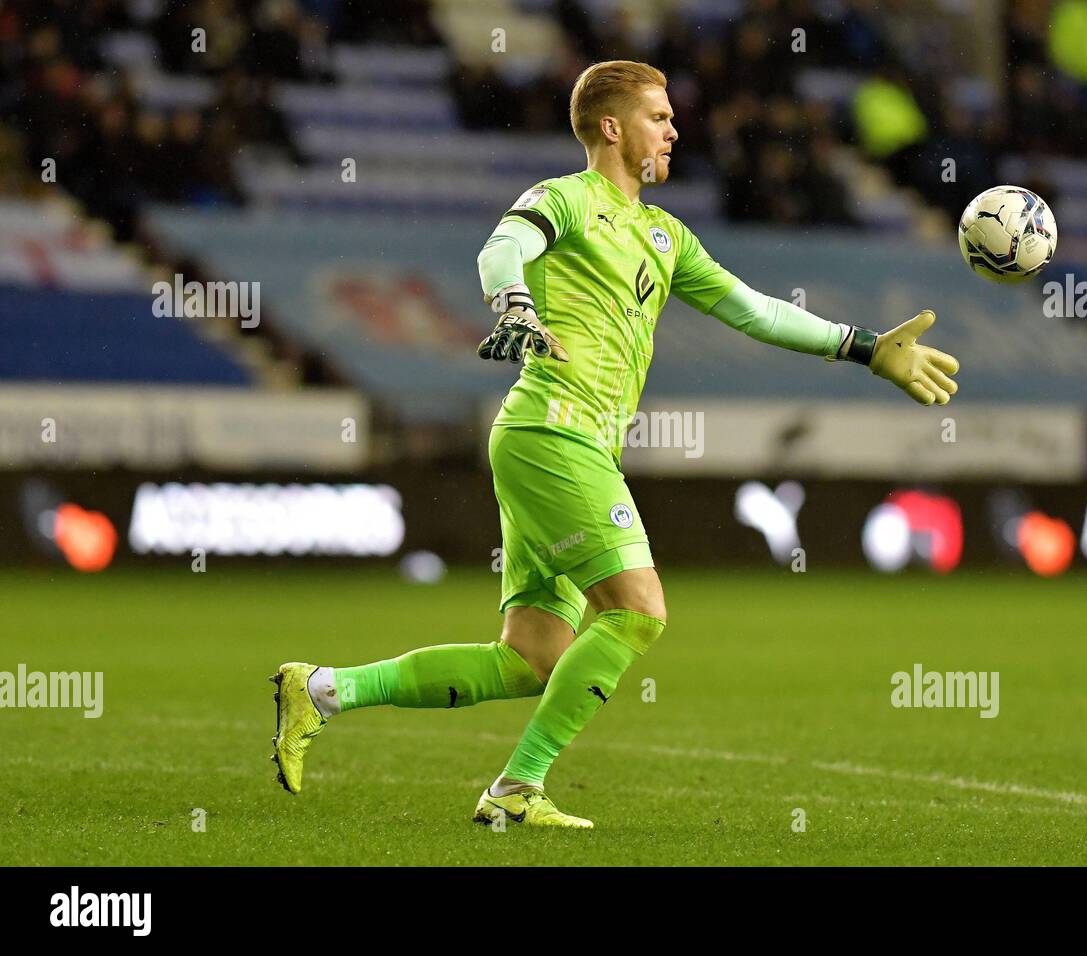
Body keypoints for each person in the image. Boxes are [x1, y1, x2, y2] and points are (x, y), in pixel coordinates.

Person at [270, 60, 960, 828]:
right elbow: (500, 250)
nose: (673, 130)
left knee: (531, 659)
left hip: (570, 446)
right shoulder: (567, 200)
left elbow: (758, 313)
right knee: (638, 611)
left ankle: (323, 689)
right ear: (612, 127)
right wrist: (517, 304)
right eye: (659, 117)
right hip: (551, 432)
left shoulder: (665, 235)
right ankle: (514, 791)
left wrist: (867, 349)